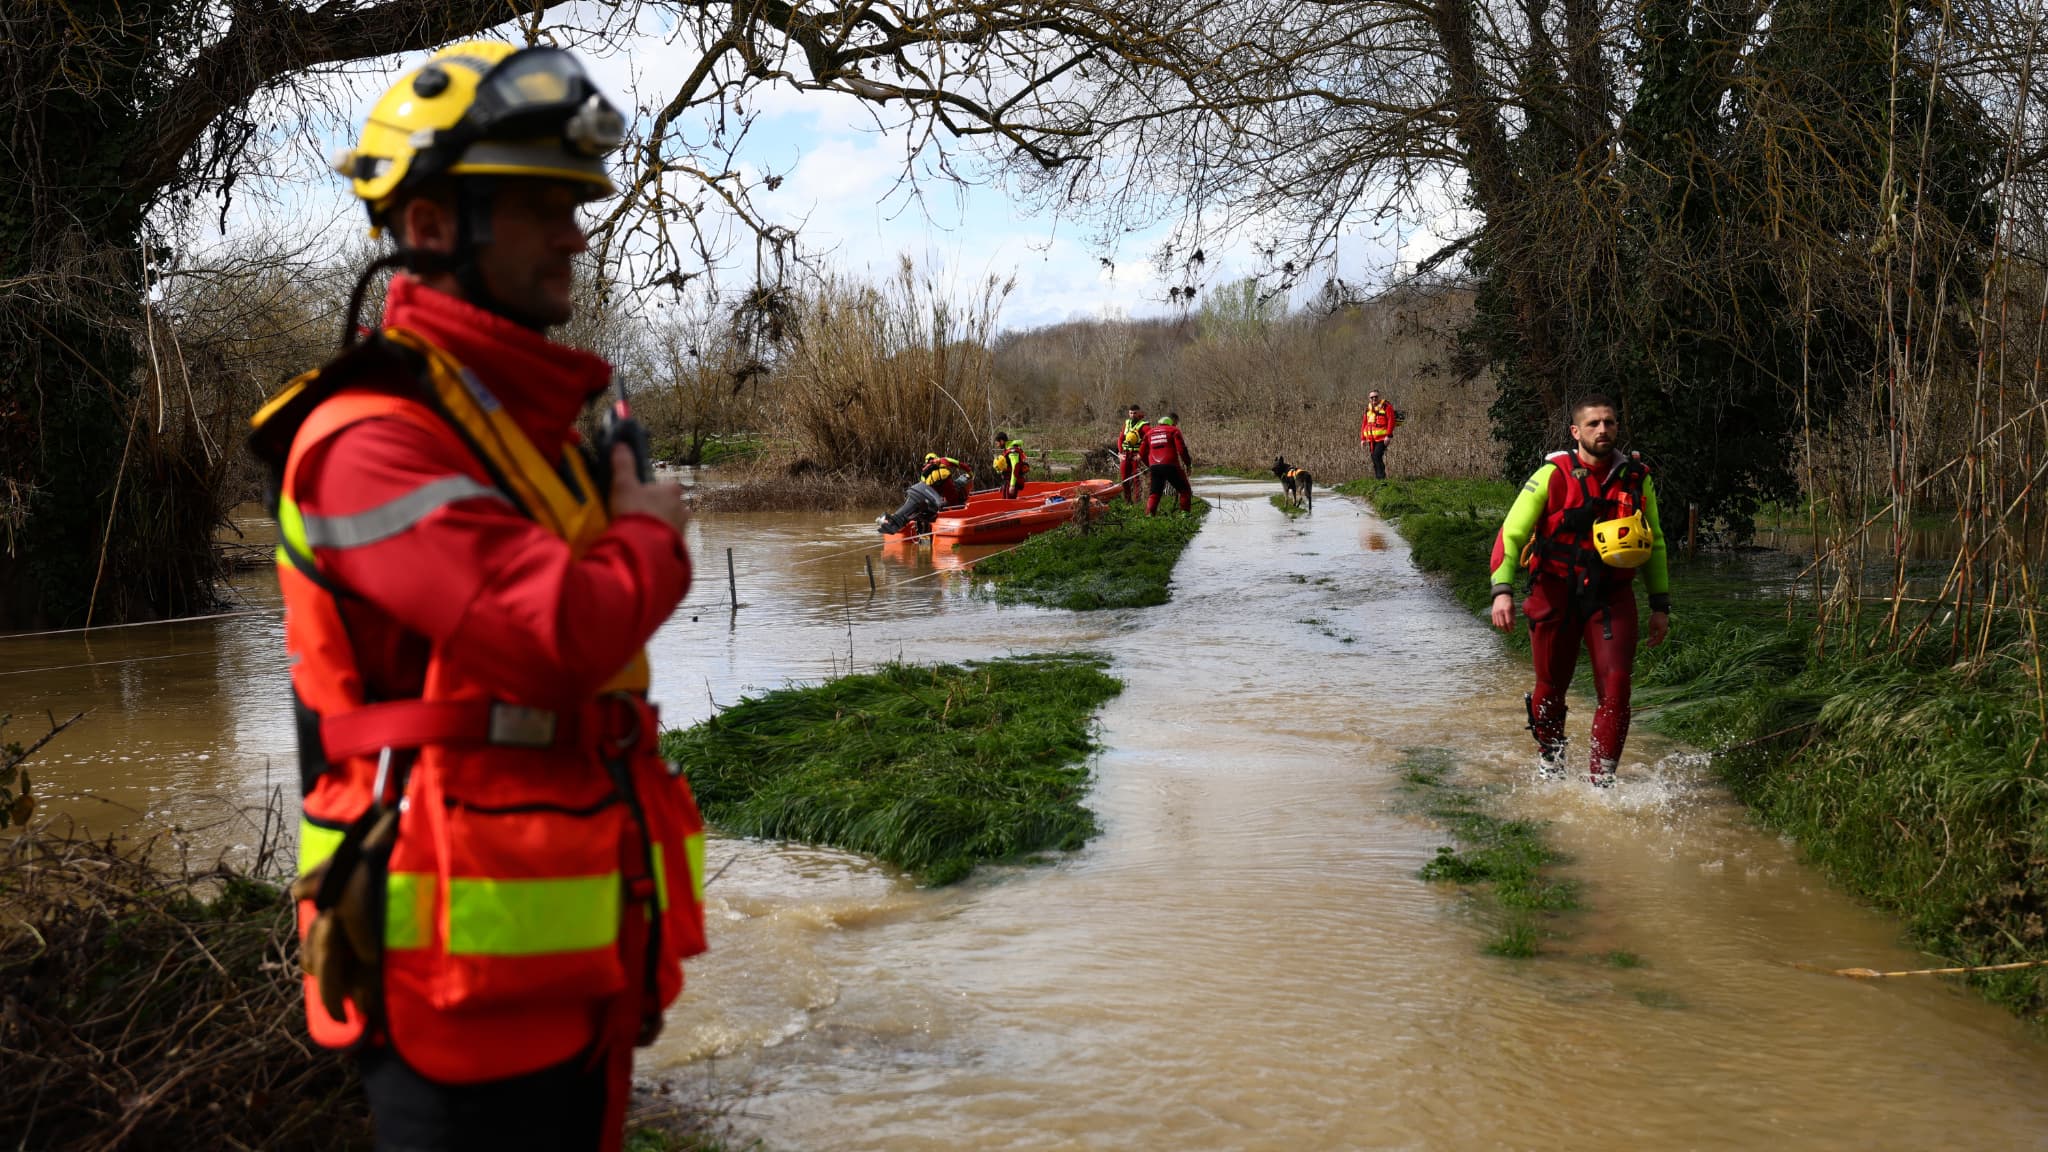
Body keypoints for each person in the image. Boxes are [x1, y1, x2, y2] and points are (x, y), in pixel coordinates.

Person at [245, 42, 706, 1152]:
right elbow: (554, 635)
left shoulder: (509, 436)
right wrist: (650, 533)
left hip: (563, 969)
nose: (576, 234)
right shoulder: (367, 440)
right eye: (543, 204)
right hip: (449, 989)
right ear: (436, 224)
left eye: (577, 202)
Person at [1487, 395, 1671, 787]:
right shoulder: (1552, 474)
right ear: (1576, 432)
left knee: (1617, 686)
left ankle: (1601, 781)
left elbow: (1655, 543)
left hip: (1612, 595)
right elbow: (1512, 532)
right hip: (1554, 591)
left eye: (1609, 422)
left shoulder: (1637, 477)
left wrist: (1660, 604)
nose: (1602, 429)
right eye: (1593, 424)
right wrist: (1502, 590)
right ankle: (1551, 762)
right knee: (1551, 686)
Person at [877, 453, 968, 536]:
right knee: (919, 511)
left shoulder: (925, 472)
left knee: (910, 510)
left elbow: (924, 483)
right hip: (929, 500)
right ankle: (892, 522)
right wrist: (970, 473)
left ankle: (890, 521)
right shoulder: (944, 462)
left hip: (918, 493)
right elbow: (961, 465)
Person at [1142, 413, 1193, 515]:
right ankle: (1185, 516)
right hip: (1171, 466)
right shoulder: (1174, 430)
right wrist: (1188, 464)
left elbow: (1142, 453)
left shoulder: (1149, 433)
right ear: (1171, 423)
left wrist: (1150, 465)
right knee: (1185, 491)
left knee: (1154, 494)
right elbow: (1182, 449)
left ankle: (1148, 516)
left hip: (1155, 467)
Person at [1360, 390, 1398, 479]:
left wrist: (1388, 436)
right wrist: (1363, 439)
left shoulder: (1386, 407)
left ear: (1379, 397)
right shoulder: (1368, 409)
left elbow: (1391, 421)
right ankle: (1378, 478)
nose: (1374, 399)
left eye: (1376, 396)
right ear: (1369, 399)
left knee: (1377, 455)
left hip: (1382, 438)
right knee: (1374, 457)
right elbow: (1364, 424)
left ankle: (1381, 478)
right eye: (1372, 397)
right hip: (1371, 439)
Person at [1116, 404, 1150, 491]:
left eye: (1135, 413)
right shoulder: (1126, 424)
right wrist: (1119, 453)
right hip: (1125, 454)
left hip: (1136, 456)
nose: (1132, 415)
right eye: (1131, 413)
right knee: (1124, 479)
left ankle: (1137, 502)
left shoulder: (1144, 426)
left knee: (1136, 480)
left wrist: (1141, 455)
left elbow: (1148, 441)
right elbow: (1120, 439)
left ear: (1139, 413)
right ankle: (1128, 503)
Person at [992, 432, 1031, 499]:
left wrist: (1012, 485)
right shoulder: (1007, 449)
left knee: (1009, 502)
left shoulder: (1012, 452)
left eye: (997, 443)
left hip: (1012, 482)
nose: (997, 445)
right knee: (1005, 500)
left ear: (1001, 441)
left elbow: (1015, 468)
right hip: (1007, 481)